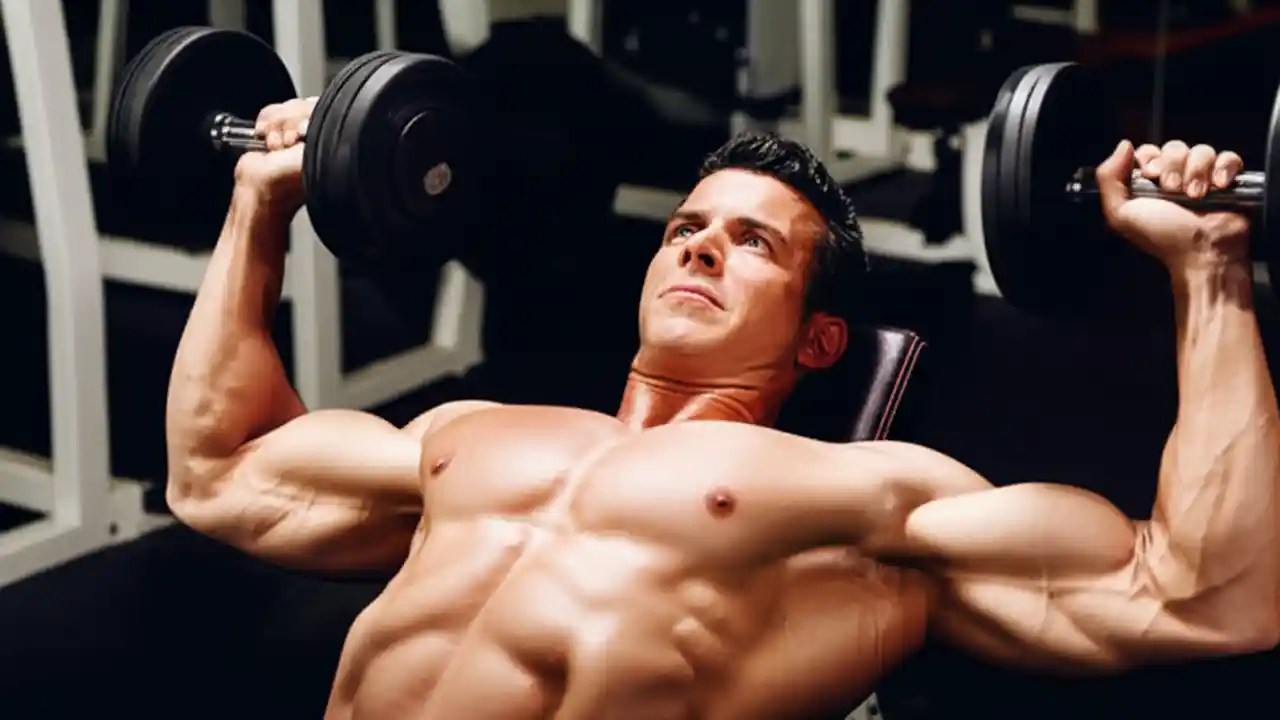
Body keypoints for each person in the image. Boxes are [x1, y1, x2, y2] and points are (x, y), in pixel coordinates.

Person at [164, 96, 1280, 720]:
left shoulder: (863, 502)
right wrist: (259, 202)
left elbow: (1205, 595)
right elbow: (218, 470)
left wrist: (1210, 273)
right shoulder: (467, 434)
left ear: (819, 340)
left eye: (753, 244)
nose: (700, 246)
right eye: (685, 229)